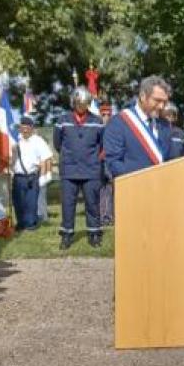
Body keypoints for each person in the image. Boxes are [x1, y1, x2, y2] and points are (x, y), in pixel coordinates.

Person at [54, 87, 105, 250]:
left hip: (91, 170)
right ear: (73, 103)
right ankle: (67, 236)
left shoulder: (97, 121)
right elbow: (57, 143)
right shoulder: (62, 120)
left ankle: (94, 234)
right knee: (68, 204)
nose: (81, 106)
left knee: (92, 204)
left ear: (89, 104)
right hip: (69, 169)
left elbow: (102, 144)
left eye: (85, 104)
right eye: (79, 103)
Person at [103, 76, 174, 179]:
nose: (161, 106)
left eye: (165, 102)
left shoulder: (164, 125)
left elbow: (170, 160)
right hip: (131, 189)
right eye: (157, 101)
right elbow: (113, 162)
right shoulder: (119, 123)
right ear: (143, 96)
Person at [11, 116, 53, 231]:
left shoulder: (38, 141)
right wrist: (10, 170)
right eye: (22, 127)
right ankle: (20, 223)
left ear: (31, 128)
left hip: (31, 176)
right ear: (20, 128)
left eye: (27, 127)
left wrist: (46, 175)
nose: (24, 130)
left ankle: (30, 223)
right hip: (18, 176)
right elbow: (13, 158)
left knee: (31, 201)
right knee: (18, 201)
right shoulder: (16, 140)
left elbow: (46, 157)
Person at [98, 103, 115, 226]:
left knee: (110, 189)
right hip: (98, 162)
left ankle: (109, 216)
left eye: (108, 114)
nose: (106, 117)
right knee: (100, 190)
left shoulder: (114, 129)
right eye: (103, 115)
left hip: (110, 162)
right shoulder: (96, 129)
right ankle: (102, 216)